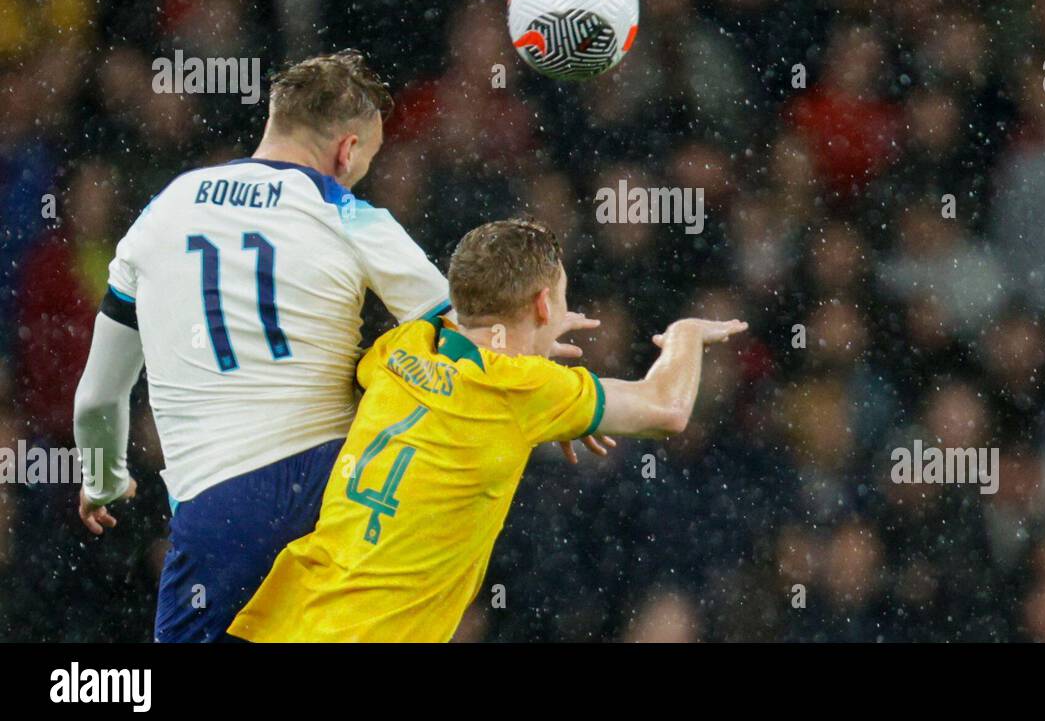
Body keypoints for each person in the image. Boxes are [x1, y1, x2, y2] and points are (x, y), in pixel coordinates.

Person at [71, 51, 596, 641]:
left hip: (221, 512)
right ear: (347, 151)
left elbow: (98, 397)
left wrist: (103, 478)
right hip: (339, 495)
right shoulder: (348, 213)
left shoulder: (158, 214)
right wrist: (550, 388)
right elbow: (469, 336)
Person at [228, 219, 746, 642]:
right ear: (545, 305)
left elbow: (466, 376)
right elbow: (667, 408)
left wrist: (536, 363)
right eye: (560, 299)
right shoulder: (523, 390)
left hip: (284, 619)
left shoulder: (403, 346)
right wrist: (686, 336)